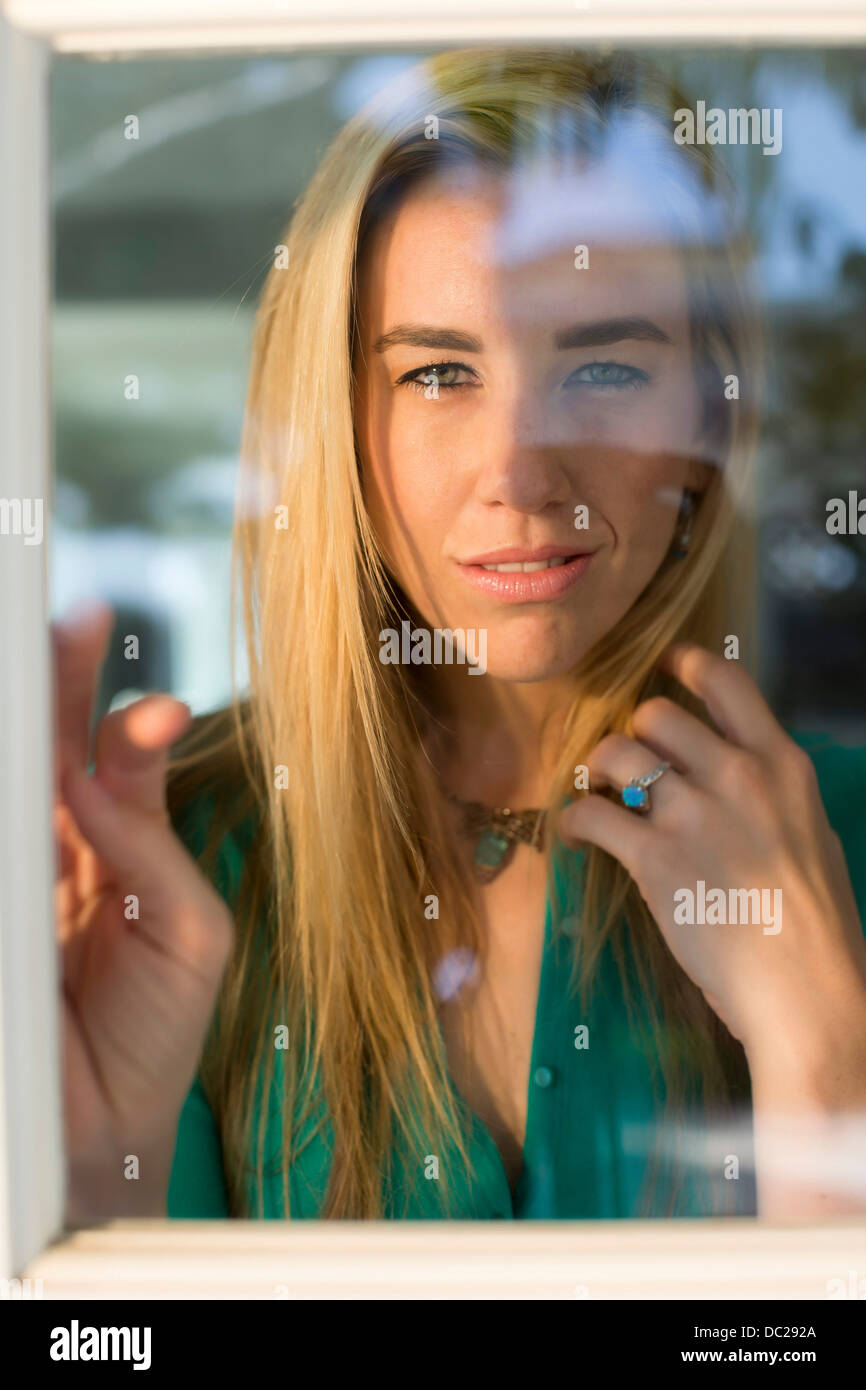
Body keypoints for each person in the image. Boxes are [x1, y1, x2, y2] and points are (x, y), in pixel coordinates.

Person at [55, 49, 866, 1227]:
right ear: (339, 417)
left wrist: (822, 1058)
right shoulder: (174, 854)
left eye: (600, 361)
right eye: (437, 372)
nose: (521, 475)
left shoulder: (838, 837)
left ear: (708, 411)